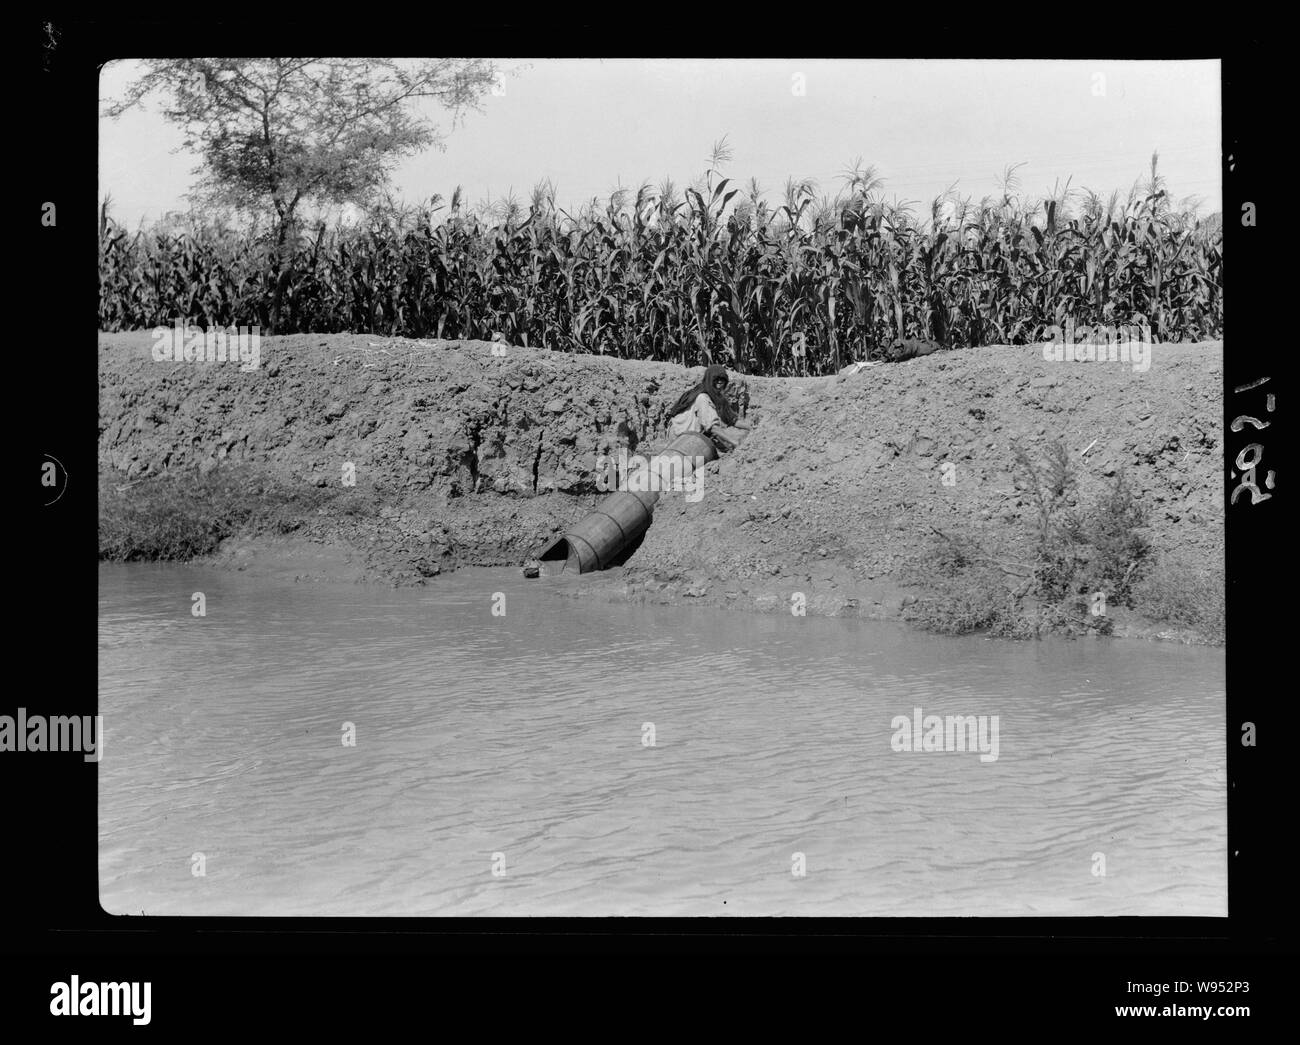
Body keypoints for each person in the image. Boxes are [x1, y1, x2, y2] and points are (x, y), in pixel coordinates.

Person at [665, 364, 752, 446]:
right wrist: (735, 442)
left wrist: (752, 428)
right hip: (679, 435)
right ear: (710, 380)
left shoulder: (718, 397)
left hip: (692, 435)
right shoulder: (702, 397)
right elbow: (712, 427)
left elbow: (732, 420)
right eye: (716, 379)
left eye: (722, 379)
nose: (720, 382)